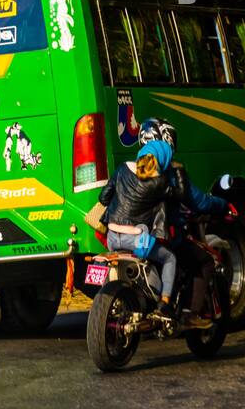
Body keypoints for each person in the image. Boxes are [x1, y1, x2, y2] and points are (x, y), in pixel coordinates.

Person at [97, 117, 229, 324]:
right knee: (189, 259)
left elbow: (103, 198)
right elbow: (195, 201)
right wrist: (222, 205)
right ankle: (174, 307)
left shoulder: (123, 169)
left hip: (113, 236)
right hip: (145, 238)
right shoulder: (167, 179)